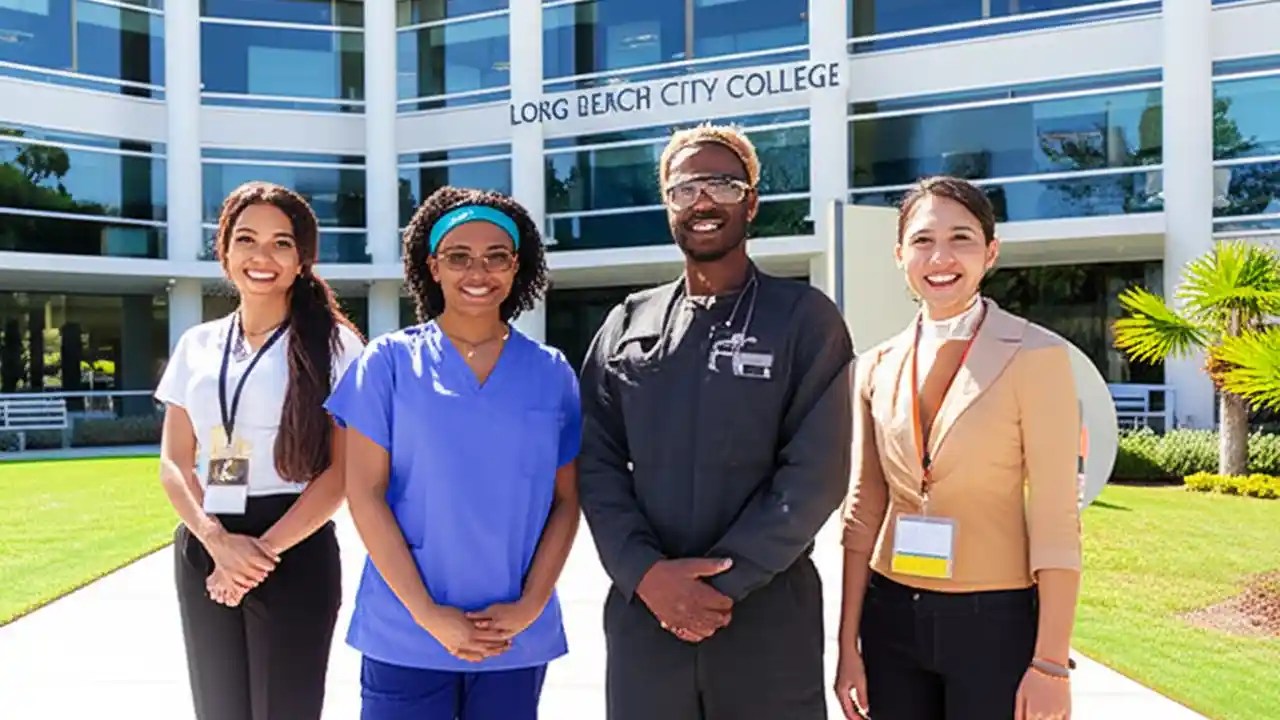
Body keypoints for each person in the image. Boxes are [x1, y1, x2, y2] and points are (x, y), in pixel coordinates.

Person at [577, 123, 855, 720]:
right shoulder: (627, 324)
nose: (702, 201)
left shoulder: (804, 320)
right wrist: (647, 576)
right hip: (645, 617)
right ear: (667, 207)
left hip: (765, 618)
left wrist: (714, 588)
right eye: (684, 190)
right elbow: (595, 464)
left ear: (751, 201)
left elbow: (814, 477)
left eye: (722, 186)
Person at [324, 186, 582, 720]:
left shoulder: (551, 372)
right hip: (407, 630)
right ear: (432, 267)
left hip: (513, 634)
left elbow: (566, 501)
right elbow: (364, 495)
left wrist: (531, 604)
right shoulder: (388, 363)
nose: (478, 272)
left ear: (517, 267)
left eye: (496, 257)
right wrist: (428, 614)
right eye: (459, 257)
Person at [834, 175, 1083, 720]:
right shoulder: (874, 367)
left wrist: (1051, 663)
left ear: (990, 252)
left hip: (994, 622)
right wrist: (846, 646)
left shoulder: (1037, 358)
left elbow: (1056, 518)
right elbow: (862, 510)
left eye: (962, 238)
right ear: (900, 255)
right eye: (923, 240)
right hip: (890, 617)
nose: (940, 257)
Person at [155, 180, 366, 720]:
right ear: (224, 252)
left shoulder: (337, 345)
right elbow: (175, 462)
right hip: (207, 537)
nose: (262, 256)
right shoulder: (196, 344)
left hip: (294, 541)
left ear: (303, 259)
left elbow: (342, 473)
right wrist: (217, 543)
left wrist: (258, 555)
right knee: (218, 709)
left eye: (281, 243)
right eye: (246, 240)